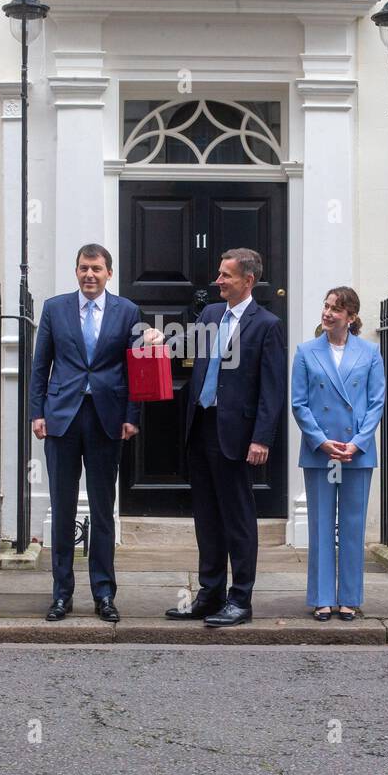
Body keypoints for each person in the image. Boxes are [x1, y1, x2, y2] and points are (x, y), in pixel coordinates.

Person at [30, 243, 160, 623]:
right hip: (62, 419)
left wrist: (132, 415)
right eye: (84, 268)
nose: (90, 275)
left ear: (108, 273)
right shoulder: (55, 308)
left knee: (104, 512)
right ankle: (61, 594)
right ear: (76, 271)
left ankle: (104, 593)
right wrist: (37, 413)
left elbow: (137, 366)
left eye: (97, 269)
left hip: (107, 418)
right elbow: (41, 365)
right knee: (62, 509)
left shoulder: (127, 311)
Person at [165, 248, 286, 628]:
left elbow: (272, 388)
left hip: (236, 433)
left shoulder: (266, 324)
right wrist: (157, 336)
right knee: (206, 516)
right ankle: (210, 592)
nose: (217, 280)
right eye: (219, 274)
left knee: (238, 519)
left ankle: (241, 598)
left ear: (247, 281)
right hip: (201, 425)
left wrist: (261, 438)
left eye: (225, 275)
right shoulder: (211, 314)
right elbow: (186, 350)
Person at [290, 287, 385, 621]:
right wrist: (321, 440)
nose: (327, 313)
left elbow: (376, 402)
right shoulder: (305, 351)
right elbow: (299, 403)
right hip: (320, 451)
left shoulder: (371, 352)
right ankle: (321, 597)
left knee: (352, 524)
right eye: (326, 306)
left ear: (351, 317)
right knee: (320, 523)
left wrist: (358, 442)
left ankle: (349, 597)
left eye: (335, 309)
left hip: (356, 451)